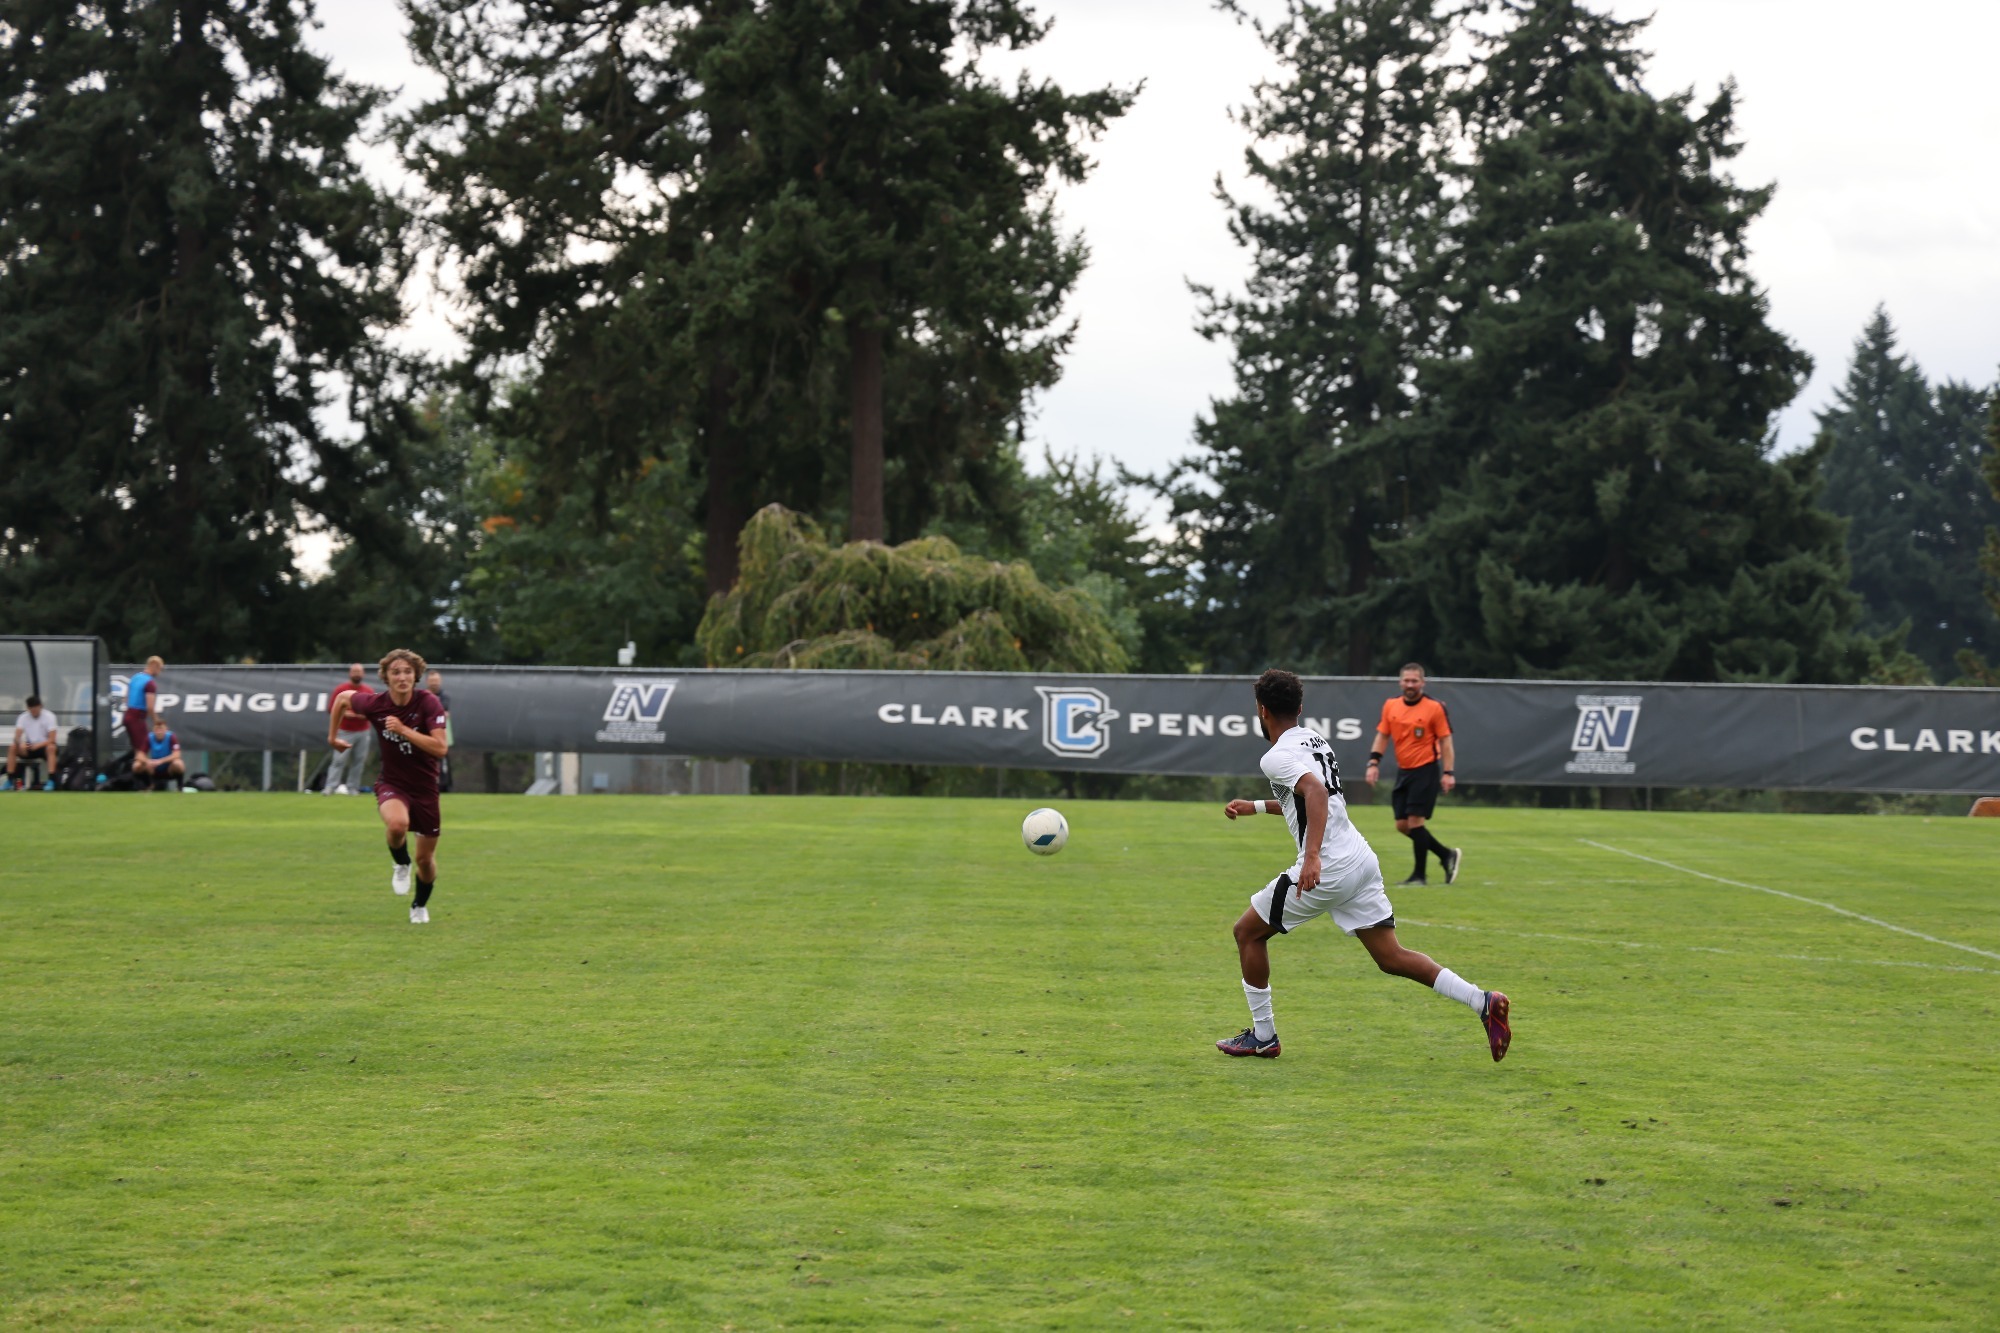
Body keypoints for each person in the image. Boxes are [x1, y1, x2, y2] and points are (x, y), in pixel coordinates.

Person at [1216, 669, 1509, 1061]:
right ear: (1299, 708)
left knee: (1247, 933)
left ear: (1262, 710)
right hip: (1359, 859)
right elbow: (1307, 799)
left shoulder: (1274, 756)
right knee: (1391, 957)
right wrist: (1253, 806)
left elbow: (1315, 793)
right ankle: (1483, 1001)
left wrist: (1313, 856)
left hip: (1329, 867)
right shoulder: (1314, 739)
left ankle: (1264, 1036)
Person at [329, 648, 450, 924]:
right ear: (386, 677)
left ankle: (419, 905)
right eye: (396, 672)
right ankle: (401, 862)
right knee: (397, 825)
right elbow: (343, 699)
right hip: (392, 783)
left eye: (408, 672)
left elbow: (440, 748)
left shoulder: (428, 703)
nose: (402, 677)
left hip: (425, 790)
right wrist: (332, 737)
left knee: (426, 861)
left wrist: (404, 730)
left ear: (416, 676)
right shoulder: (376, 704)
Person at [1365, 662, 1462, 886]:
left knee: (1415, 822)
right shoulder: (1391, 705)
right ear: (1400, 682)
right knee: (1402, 825)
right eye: (1406, 680)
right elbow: (1383, 735)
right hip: (1404, 771)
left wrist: (1448, 772)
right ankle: (1446, 854)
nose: (1410, 685)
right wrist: (1373, 763)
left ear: (1422, 682)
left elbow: (1446, 742)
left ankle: (1419, 876)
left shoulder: (1434, 707)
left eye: (1414, 681)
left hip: (1426, 769)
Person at [324, 663, 375, 794]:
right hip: (345, 731)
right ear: (350, 673)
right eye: (354, 671)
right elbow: (331, 708)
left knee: (359, 760)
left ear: (363, 674)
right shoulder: (341, 689)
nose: (357, 674)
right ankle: (330, 786)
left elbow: (372, 712)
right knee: (339, 760)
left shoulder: (368, 691)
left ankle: (353, 787)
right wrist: (346, 714)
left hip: (363, 731)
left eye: (359, 671)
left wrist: (360, 715)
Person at [5, 696, 60, 791]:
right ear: (28, 708)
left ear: (40, 706)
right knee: (13, 747)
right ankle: (9, 780)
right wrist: (20, 743)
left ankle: (51, 780)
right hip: (29, 746)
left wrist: (38, 745)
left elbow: (52, 739)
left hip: (44, 746)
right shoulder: (23, 717)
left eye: (35, 708)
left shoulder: (50, 716)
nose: (33, 711)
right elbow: (17, 736)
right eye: (31, 709)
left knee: (51, 748)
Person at [123, 656, 164, 755]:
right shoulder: (150, 683)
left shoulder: (135, 677)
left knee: (137, 750)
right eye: (160, 669)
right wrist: (157, 722)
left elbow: (126, 698)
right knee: (143, 750)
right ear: (154, 666)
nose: (160, 672)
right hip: (137, 718)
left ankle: (133, 763)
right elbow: (150, 707)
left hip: (127, 716)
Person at [132, 717, 186, 790]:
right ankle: (144, 787)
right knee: (137, 764)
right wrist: (148, 761)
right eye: (157, 729)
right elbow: (139, 755)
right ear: (154, 730)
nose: (159, 732)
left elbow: (177, 754)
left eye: (161, 729)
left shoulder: (171, 737)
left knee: (178, 763)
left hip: (168, 769)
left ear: (166, 730)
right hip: (153, 769)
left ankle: (180, 787)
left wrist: (160, 761)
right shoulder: (149, 737)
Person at [425, 669, 454, 793]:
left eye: (436, 680)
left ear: (440, 681)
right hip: (427, 734)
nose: (434, 683)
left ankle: (445, 785)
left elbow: (443, 710)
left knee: (443, 759)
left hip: (443, 733)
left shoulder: (445, 696)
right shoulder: (423, 696)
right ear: (427, 682)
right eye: (432, 681)